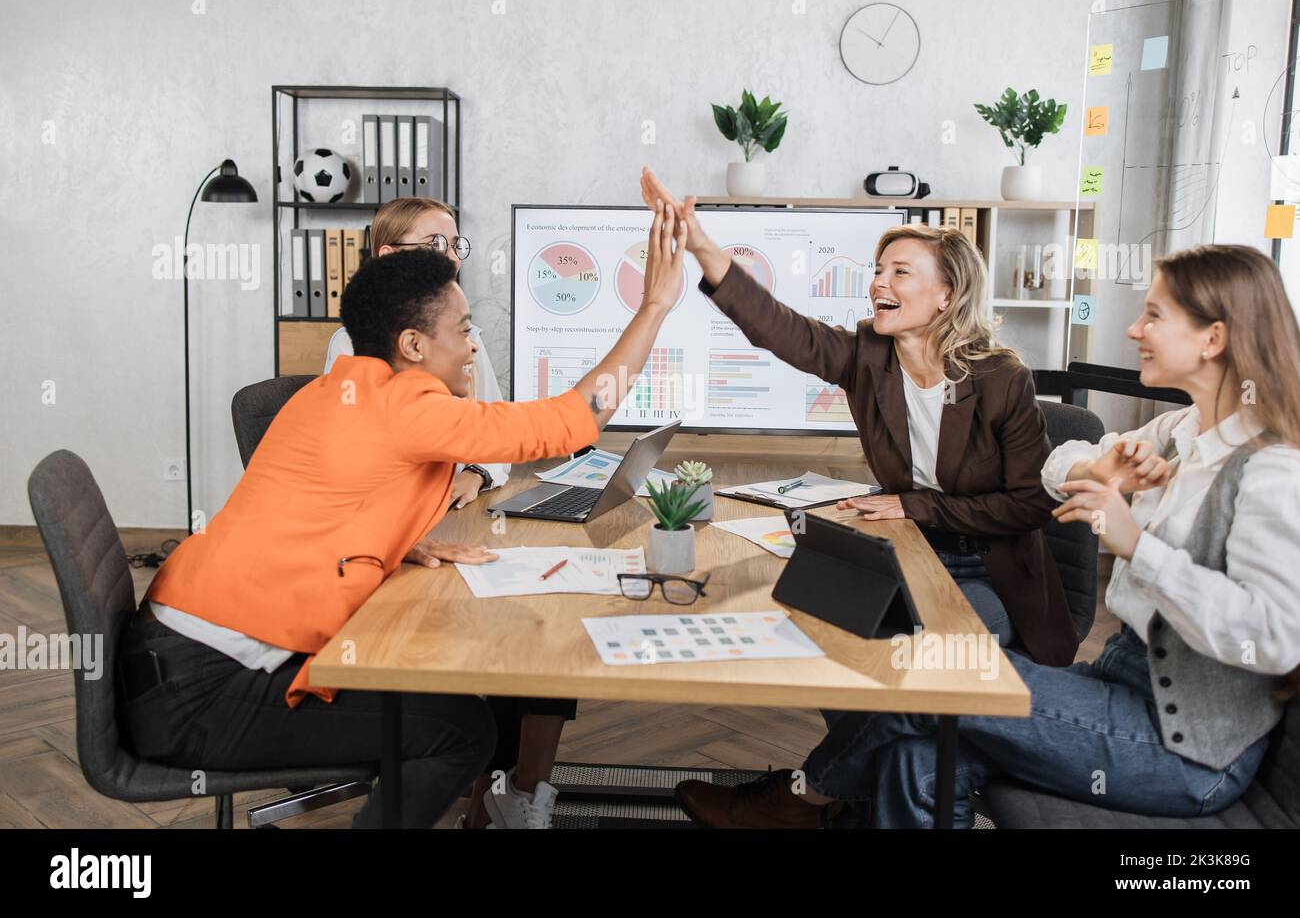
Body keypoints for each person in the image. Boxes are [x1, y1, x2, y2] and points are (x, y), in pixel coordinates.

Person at [681, 243, 1300, 827]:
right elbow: (1064, 460)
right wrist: (1092, 468)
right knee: (914, 757)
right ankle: (817, 801)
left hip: (1186, 746)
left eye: (1153, 315)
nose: (1134, 330)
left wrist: (1137, 543)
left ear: (1213, 337)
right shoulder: (1182, 430)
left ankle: (801, 798)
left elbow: (1274, 639)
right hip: (1119, 682)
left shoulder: (1271, 469)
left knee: (930, 677)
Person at [120, 202, 689, 828]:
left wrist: (389, 544)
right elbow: (574, 421)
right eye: (464, 330)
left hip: (175, 656)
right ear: (414, 344)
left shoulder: (343, 387)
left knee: (450, 703)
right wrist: (655, 305)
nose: (474, 344)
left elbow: (326, 506)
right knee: (456, 730)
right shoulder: (407, 407)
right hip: (199, 691)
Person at [640, 167, 1076, 666]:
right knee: (821, 632)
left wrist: (916, 506)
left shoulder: (1001, 378)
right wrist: (699, 244)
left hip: (983, 570)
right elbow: (778, 327)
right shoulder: (867, 358)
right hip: (898, 550)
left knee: (915, 657)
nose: (877, 284)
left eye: (900, 272)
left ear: (947, 296)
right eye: (878, 270)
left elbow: (1030, 507)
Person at [325, 196, 506, 510]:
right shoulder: (351, 346)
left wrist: (476, 474)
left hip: (454, 509)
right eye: (434, 244)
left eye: (454, 245)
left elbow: (495, 428)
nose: (451, 259)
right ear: (389, 256)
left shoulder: (469, 336)